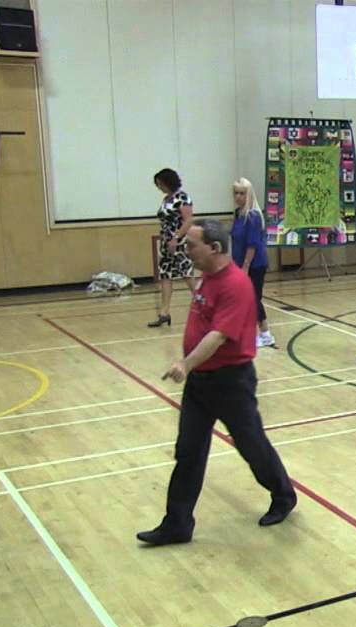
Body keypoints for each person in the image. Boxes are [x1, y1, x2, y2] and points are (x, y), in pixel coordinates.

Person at [136, 219, 297, 545]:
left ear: (215, 248)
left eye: (192, 245)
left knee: (251, 445)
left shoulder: (236, 285)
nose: (187, 250)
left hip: (231, 383)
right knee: (189, 450)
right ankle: (178, 523)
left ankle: (283, 494)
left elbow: (219, 336)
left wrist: (186, 362)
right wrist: (192, 368)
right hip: (200, 384)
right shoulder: (207, 279)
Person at [149, 168, 196, 328]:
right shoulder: (166, 199)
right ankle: (164, 312)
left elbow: (188, 220)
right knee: (165, 275)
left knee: (186, 274)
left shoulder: (182, 197)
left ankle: (204, 304)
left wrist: (176, 238)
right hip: (166, 243)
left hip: (180, 242)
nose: (159, 187)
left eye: (160, 184)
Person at [230, 178, 273, 348]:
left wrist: (245, 267)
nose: (238, 197)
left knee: (254, 298)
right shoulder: (237, 214)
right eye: (236, 193)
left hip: (254, 265)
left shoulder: (253, 216)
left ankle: (266, 333)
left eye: (242, 193)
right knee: (245, 299)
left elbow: (252, 244)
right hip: (239, 262)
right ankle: (248, 332)